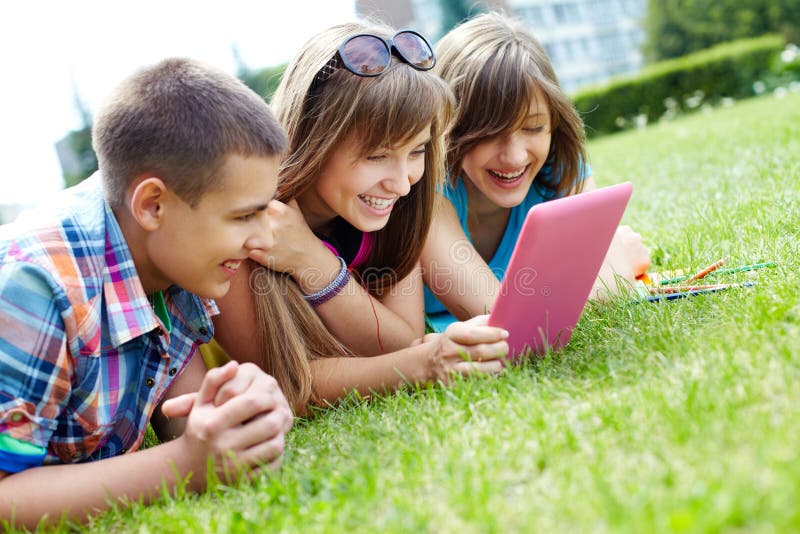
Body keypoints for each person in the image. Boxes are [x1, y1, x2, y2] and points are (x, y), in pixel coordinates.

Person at [0, 58, 294, 528]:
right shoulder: (36, 287)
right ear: (152, 205)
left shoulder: (167, 254)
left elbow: (184, 410)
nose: (266, 239)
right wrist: (183, 467)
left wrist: (237, 417)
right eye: (244, 217)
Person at [209, 21, 509, 414]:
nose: (402, 184)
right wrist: (423, 364)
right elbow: (286, 384)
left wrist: (314, 263)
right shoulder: (240, 220)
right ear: (315, 138)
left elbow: (402, 341)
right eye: (377, 156)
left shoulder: (395, 209)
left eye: (417, 151)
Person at [421, 12, 651, 331]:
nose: (514, 157)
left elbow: (614, 288)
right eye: (489, 133)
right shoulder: (429, 190)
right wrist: (620, 260)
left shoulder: (559, 164)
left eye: (533, 127)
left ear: (554, 123)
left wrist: (611, 275)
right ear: (449, 128)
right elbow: (508, 326)